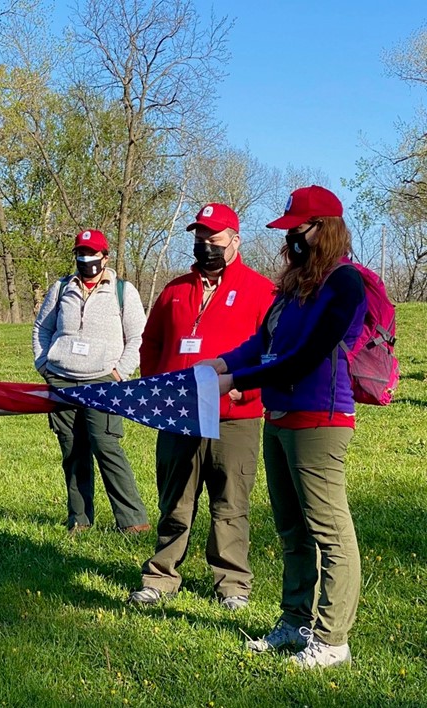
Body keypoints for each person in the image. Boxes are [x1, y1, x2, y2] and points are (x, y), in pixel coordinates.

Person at [201, 185, 365, 669]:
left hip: (320, 420)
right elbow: (262, 342)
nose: (290, 238)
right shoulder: (293, 287)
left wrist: (237, 378)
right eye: (288, 230)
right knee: (292, 529)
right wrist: (220, 363)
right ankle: (293, 623)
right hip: (278, 417)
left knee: (329, 530)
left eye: (299, 229)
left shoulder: (345, 283)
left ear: (325, 230)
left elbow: (303, 359)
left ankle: (332, 639)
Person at [128, 203, 275, 609]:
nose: (205, 245)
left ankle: (232, 586)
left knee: (230, 505)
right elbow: (151, 342)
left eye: (213, 238)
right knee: (175, 500)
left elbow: (273, 353)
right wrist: (158, 386)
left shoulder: (262, 291)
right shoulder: (175, 290)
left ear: (234, 241)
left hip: (234, 418)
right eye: (199, 238)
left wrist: (246, 391)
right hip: (179, 416)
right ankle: (159, 577)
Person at [33, 229, 150, 535]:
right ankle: (80, 520)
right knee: (72, 452)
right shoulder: (61, 288)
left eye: (93, 254)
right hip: (62, 380)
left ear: (105, 256)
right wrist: (44, 364)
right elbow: (41, 329)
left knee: (106, 446)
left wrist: (119, 371)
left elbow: (138, 337)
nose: (87, 260)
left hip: (103, 381)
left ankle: (132, 520)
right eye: (81, 254)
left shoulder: (124, 291)